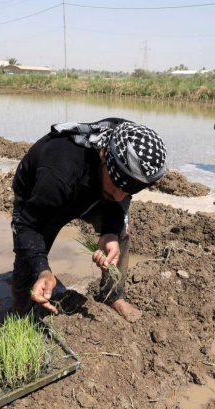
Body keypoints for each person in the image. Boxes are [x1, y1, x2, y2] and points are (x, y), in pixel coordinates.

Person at [10, 119, 166, 323]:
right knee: (28, 262)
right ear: (103, 154)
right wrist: (43, 270)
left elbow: (120, 195)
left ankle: (112, 296)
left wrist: (111, 231)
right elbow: (28, 225)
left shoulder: (129, 147)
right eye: (117, 183)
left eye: (129, 189)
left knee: (120, 230)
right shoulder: (58, 173)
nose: (119, 195)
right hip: (43, 194)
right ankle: (20, 316)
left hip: (93, 188)